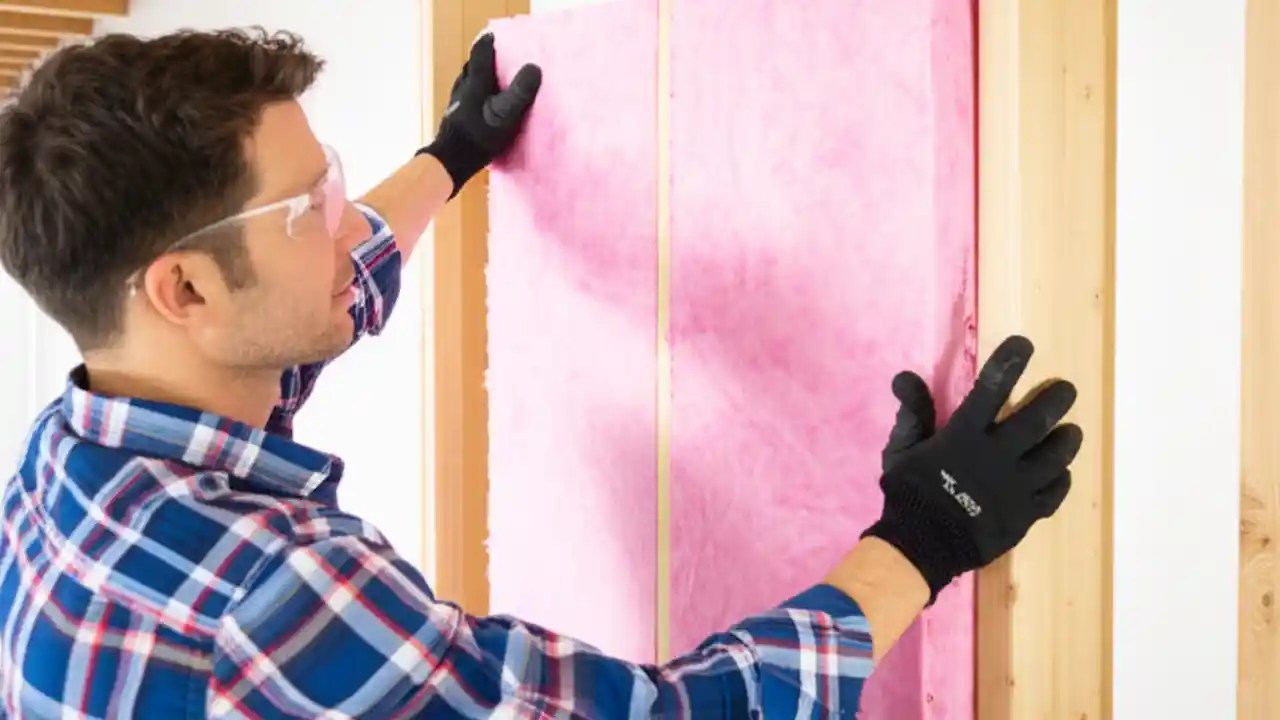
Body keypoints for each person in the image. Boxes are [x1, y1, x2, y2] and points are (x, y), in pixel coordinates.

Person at [0, 28, 1082, 719]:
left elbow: (319, 293)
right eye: (306, 207)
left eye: (330, 180)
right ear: (181, 292)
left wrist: (449, 157)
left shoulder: (74, 456)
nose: (342, 219)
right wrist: (924, 536)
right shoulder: (273, 598)